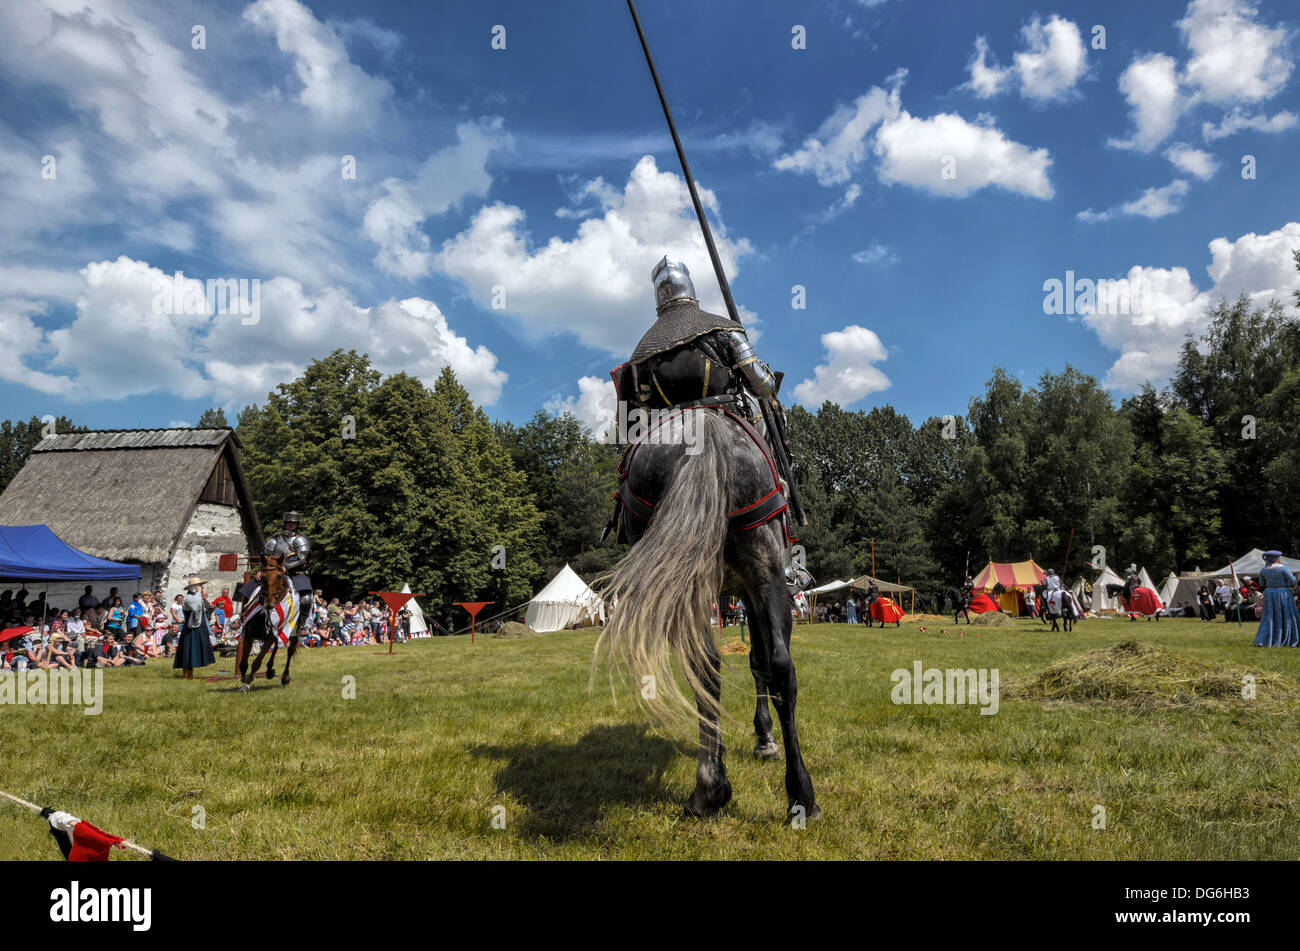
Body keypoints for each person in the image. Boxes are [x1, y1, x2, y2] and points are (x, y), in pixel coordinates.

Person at [608, 255, 807, 586]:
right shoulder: (722, 329)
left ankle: (622, 528)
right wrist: (767, 374)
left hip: (667, 428)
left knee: (632, 464)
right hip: (725, 413)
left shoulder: (643, 350)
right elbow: (763, 386)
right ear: (691, 289)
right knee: (773, 411)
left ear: (659, 297)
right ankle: (785, 557)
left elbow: (634, 421)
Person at [263, 511, 314, 622]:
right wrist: (259, 570)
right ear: (285, 523)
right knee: (249, 589)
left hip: (295, 573)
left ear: (297, 525)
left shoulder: (300, 540)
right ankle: (244, 617)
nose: (291, 525)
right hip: (273, 572)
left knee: (306, 598)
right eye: (289, 522)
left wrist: (285, 567)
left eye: (293, 523)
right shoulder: (274, 540)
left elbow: (302, 559)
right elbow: (265, 557)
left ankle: (303, 623)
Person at [1253, 551, 1300, 647]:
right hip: (1282, 593)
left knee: (1269, 616)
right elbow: (1293, 582)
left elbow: (1261, 583)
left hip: (1269, 593)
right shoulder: (1284, 569)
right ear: (1277, 558)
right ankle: (1287, 636)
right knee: (1286, 615)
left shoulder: (1264, 570)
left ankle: (1263, 639)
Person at [175, 575, 216, 679]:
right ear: (195, 587)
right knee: (189, 650)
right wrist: (198, 593)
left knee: (193, 650)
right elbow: (196, 608)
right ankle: (187, 674)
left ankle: (189, 674)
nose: (202, 588)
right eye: (200, 586)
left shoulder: (194, 597)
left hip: (196, 626)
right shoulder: (190, 597)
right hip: (191, 627)